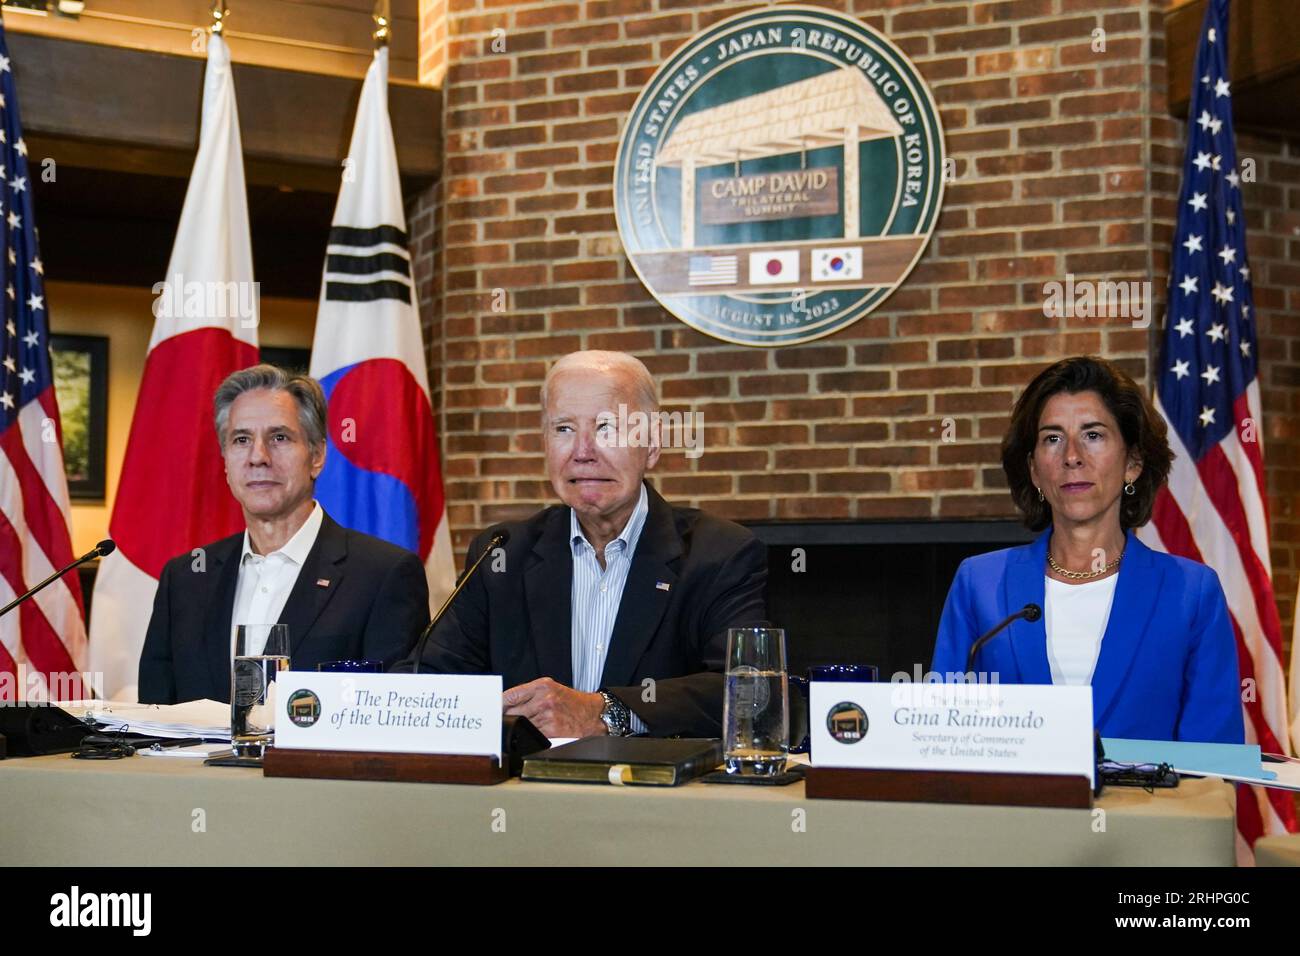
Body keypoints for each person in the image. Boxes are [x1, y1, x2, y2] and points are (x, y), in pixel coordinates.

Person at [394, 350, 768, 738]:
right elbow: (431, 677)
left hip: (657, 793)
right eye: (564, 429)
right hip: (526, 793)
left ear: (652, 446)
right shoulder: (501, 554)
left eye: (608, 427)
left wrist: (606, 712)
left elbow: (751, 691)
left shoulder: (720, 554)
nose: (583, 451)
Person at [930, 356, 1244, 744]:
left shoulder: (1191, 593)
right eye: (1052, 438)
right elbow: (943, 739)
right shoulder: (979, 583)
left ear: (1132, 462)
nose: (1072, 456)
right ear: (1033, 469)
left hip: (1149, 807)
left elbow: (1213, 763)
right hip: (1016, 807)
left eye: (1093, 435)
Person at [138, 365, 429, 704]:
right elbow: (154, 719)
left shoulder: (384, 575)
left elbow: (391, 718)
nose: (258, 457)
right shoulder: (185, 578)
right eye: (241, 439)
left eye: (279, 438)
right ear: (225, 461)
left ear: (317, 456)